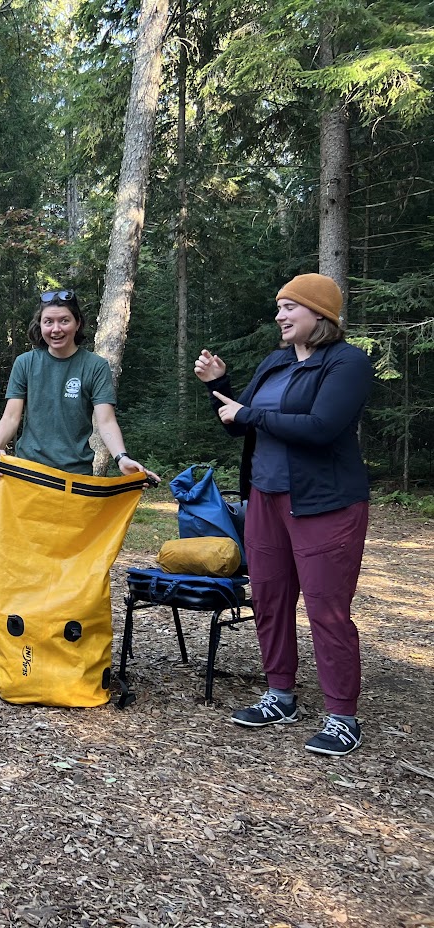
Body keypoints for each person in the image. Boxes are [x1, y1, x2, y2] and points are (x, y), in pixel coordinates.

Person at [195, 273, 372, 757]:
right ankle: (280, 695)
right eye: (279, 307)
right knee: (270, 599)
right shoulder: (275, 362)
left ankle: (342, 716)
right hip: (265, 498)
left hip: (325, 503)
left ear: (320, 314)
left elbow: (321, 427)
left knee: (326, 609)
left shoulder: (347, 363)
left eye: (290, 307)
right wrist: (219, 387)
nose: (279, 316)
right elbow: (239, 422)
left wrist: (247, 414)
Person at [0, 288, 157, 481]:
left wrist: (121, 458)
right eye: (48, 322)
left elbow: (106, 421)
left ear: (77, 323)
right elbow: (11, 416)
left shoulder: (95, 366)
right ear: (40, 325)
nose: (56, 329)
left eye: (64, 321)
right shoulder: (25, 363)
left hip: (75, 476)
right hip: (28, 472)